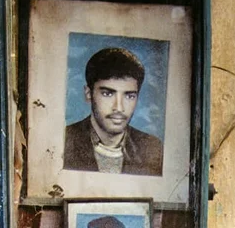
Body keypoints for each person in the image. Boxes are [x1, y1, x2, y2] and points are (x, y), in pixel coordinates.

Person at [64, 47, 163, 176]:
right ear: (88, 94)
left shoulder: (153, 149)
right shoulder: (62, 141)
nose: (119, 108)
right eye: (107, 94)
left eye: (129, 96)